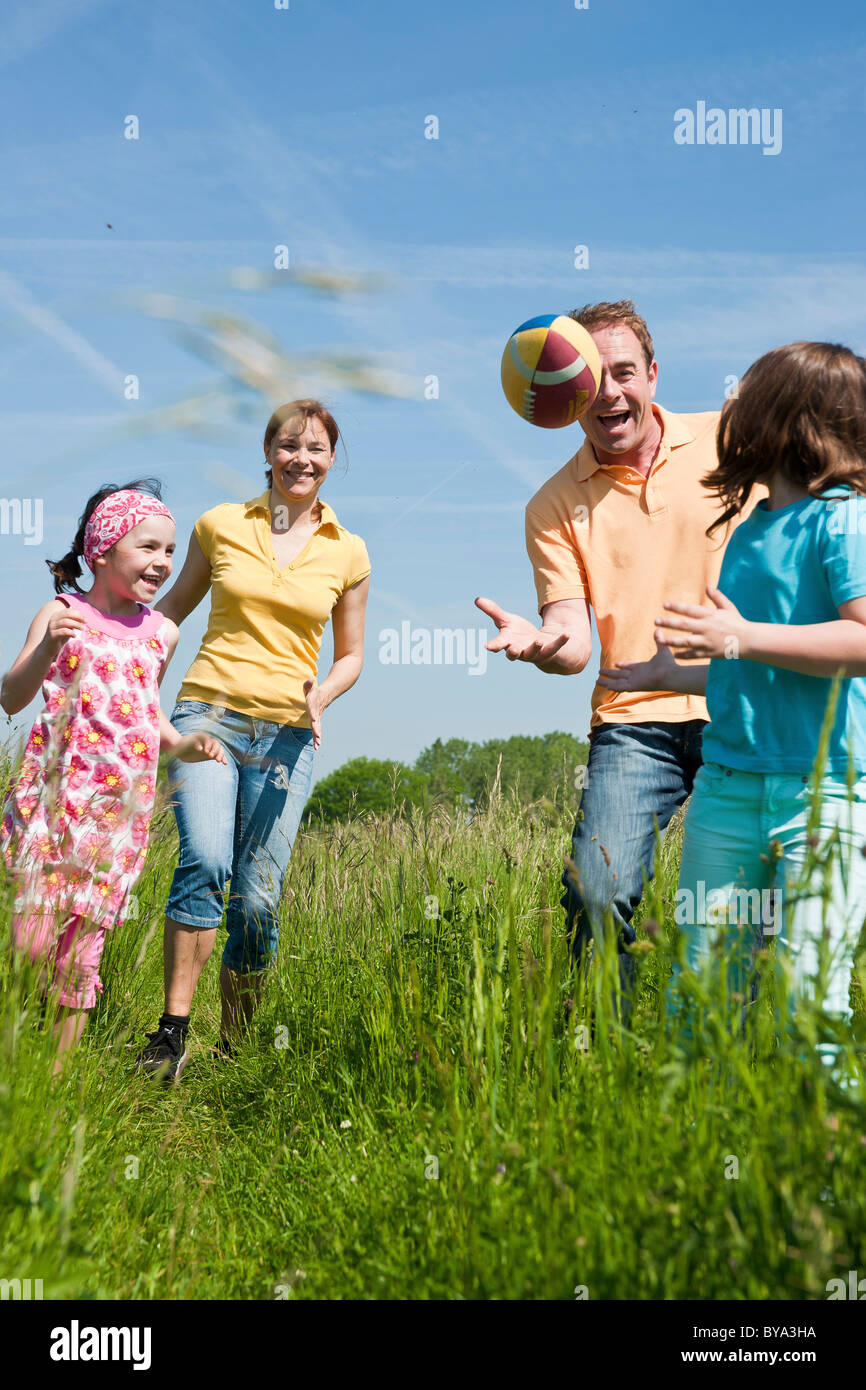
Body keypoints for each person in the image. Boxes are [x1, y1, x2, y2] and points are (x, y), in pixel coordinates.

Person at [477, 300, 765, 1014]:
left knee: (747, 907)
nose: (610, 391)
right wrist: (545, 646)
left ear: (654, 375)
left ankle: (734, 1060)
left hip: (749, 700)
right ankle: (615, 1057)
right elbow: (573, 635)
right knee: (595, 892)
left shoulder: (729, 438)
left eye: (625, 372)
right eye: (591, 376)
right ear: (568, 392)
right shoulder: (552, 505)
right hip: (635, 717)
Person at [598, 342, 866, 1069]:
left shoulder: (843, 520)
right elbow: (755, 669)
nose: (728, 404)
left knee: (808, 998)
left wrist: (741, 635)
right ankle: (696, 1151)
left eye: (745, 392)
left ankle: (824, 1157)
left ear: (793, 414)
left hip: (822, 795)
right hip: (728, 787)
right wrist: (676, 673)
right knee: (703, 988)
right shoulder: (748, 530)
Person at [136, 399, 371, 1081]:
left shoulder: (348, 550)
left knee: (257, 898)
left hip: (290, 737)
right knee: (206, 861)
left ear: (333, 459)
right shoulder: (220, 525)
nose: (302, 459)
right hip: (208, 713)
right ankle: (171, 1035)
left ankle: (233, 1051)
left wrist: (322, 693)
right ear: (268, 451)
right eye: (289, 445)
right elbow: (169, 614)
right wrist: (138, 687)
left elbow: (351, 654)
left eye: (317, 448)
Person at [0, 482, 226, 1074]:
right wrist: (46, 650)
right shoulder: (62, 614)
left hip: (115, 822)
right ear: (101, 550)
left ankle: (55, 1084)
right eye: (147, 547)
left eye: (171, 551)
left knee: (78, 959)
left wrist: (184, 744)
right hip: (51, 810)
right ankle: (16, 1066)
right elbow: (11, 697)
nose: (163, 563)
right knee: (30, 946)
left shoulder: (161, 633)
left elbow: (144, 707)